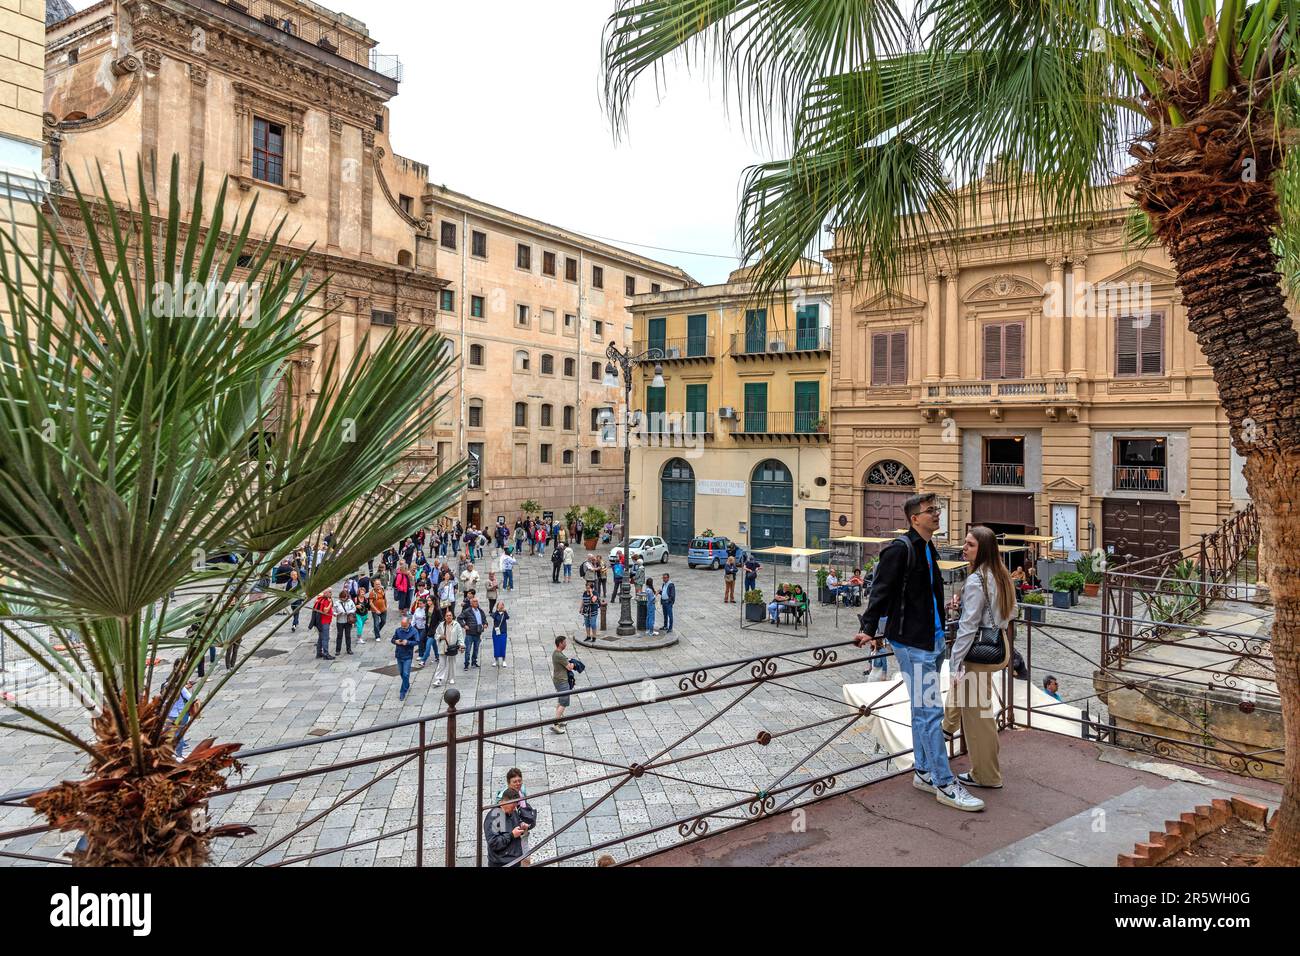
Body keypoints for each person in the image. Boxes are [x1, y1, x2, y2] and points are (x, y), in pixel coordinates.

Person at [853, 493, 984, 813]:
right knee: (930, 713)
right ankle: (944, 782)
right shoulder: (900, 550)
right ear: (914, 519)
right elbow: (879, 590)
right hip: (914, 645)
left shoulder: (927, 547)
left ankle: (924, 772)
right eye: (931, 511)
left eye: (936, 510)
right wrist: (869, 629)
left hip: (933, 642)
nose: (937, 515)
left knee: (921, 712)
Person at [943, 525, 1016, 791]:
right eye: (965, 543)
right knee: (978, 707)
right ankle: (946, 727)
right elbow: (1010, 614)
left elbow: (968, 626)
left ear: (982, 549)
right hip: (999, 647)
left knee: (978, 719)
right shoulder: (1001, 575)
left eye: (970, 544)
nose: (964, 548)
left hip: (979, 653)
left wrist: (954, 660)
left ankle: (986, 775)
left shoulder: (976, 580)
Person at [484, 788, 529, 867]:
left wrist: (521, 825)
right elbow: (494, 843)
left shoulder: (511, 811)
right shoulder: (496, 816)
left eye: (516, 805)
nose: (514, 808)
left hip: (514, 858)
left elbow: (516, 822)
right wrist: (512, 835)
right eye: (513, 805)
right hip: (502, 862)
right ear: (505, 802)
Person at [391, 614, 418, 702]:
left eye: (405, 626)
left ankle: (402, 692)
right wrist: (396, 641)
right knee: (402, 673)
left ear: (409, 623)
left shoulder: (414, 631)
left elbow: (417, 641)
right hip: (399, 655)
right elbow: (392, 639)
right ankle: (406, 684)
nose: (403, 628)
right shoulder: (398, 630)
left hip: (408, 655)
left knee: (406, 674)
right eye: (402, 626)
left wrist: (408, 642)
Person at [433, 607, 462, 687]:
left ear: (452, 617)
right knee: (442, 664)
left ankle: (451, 678)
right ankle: (439, 679)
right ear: (445, 617)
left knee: (452, 663)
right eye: (447, 616)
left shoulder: (456, 625)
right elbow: (436, 634)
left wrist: (461, 645)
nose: (449, 617)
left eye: (450, 615)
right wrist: (440, 637)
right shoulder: (441, 625)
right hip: (443, 647)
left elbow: (460, 636)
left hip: (452, 647)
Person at [552, 635, 574, 733]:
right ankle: (555, 725)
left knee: (561, 701)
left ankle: (559, 720)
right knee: (564, 702)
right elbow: (569, 667)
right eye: (564, 642)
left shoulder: (556, 653)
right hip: (562, 681)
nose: (566, 644)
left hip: (558, 680)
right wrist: (573, 664)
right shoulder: (559, 655)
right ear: (560, 643)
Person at [460, 595, 488, 669]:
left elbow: (484, 619)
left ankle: (474, 662)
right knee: (468, 650)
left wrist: (485, 624)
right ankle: (466, 664)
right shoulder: (467, 611)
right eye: (474, 601)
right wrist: (464, 625)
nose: (476, 603)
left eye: (477, 601)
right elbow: (459, 618)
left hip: (478, 633)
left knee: (476, 649)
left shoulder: (480, 610)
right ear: (471, 603)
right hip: (469, 633)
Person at [309, 589, 335, 660]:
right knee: (325, 638)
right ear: (325, 593)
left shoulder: (320, 599)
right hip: (324, 622)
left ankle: (319, 653)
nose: (331, 593)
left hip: (321, 622)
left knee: (321, 638)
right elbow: (325, 610)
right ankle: (326, 654)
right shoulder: (325, 600)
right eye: (329, 592)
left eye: (331, 592)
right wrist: (330, 603)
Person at [334, 588, 356, 655]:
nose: (344, 599)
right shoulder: (337, 602)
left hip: (348, 621)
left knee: (348, 636)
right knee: (339, 636)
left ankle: (349, 649)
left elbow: (354, 608)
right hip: (340, 621)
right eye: (343, 598)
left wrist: (348, 612)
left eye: (345, 597)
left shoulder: (350, 601)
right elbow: (333, 611)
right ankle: (338, 650)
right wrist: (337, 614)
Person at [491, 600, 510, 666]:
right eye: (500, 605)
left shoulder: (504, 614)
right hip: (495, 632)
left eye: (502, 605)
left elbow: (507, 617)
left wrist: (505, 611)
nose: (501, 606)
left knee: (502, 646)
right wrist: (497, 610)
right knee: (496, 646)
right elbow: (493, 617)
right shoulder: (495, 613)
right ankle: (496, 660)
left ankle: (504, 660)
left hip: (503, 632)